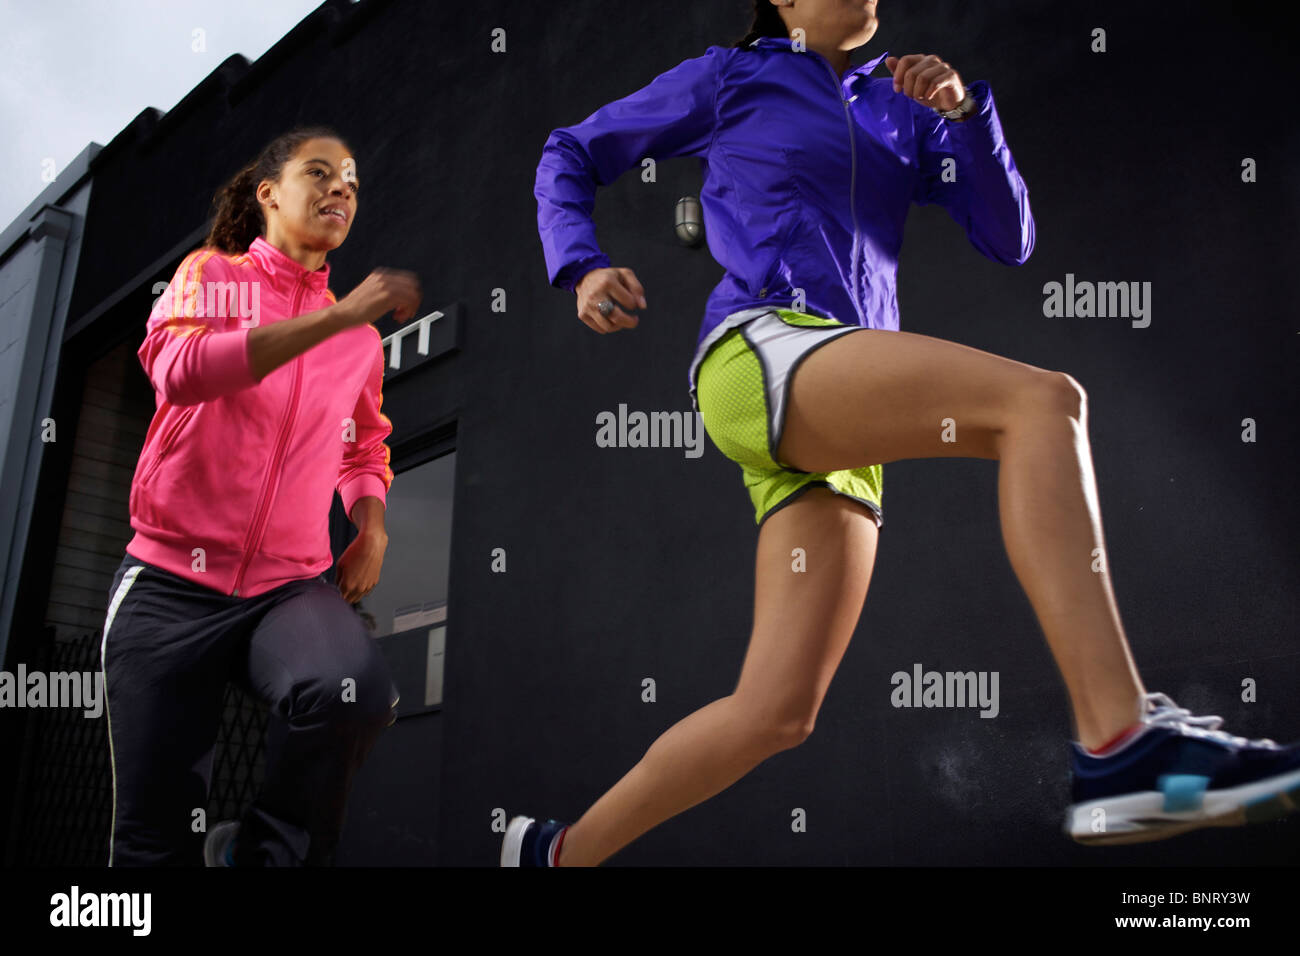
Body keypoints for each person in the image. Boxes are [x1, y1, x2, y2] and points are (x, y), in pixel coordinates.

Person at [508, 0, 1300, 865]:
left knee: (777, 712)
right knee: (1043, 404)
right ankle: (1121, 746)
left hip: (837, 408)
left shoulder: (901, 105)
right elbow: (571, 151)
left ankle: (556, 855)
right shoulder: (732, 76)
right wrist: (580, 265)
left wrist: (965, 117)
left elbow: (1011, 239)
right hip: (762, 350)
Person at [99, 126, 422, 866]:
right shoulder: (210, 276)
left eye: (351, 180)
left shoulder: (359, 344)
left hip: (286, 585)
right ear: (269, 193)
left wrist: (371, 524)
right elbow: (181, 371)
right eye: (321, 172)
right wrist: (335, 317)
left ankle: (258, 857)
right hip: (170, 584)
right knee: (153, 841)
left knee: (354, 693)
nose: (342, 188)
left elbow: (363, 445)